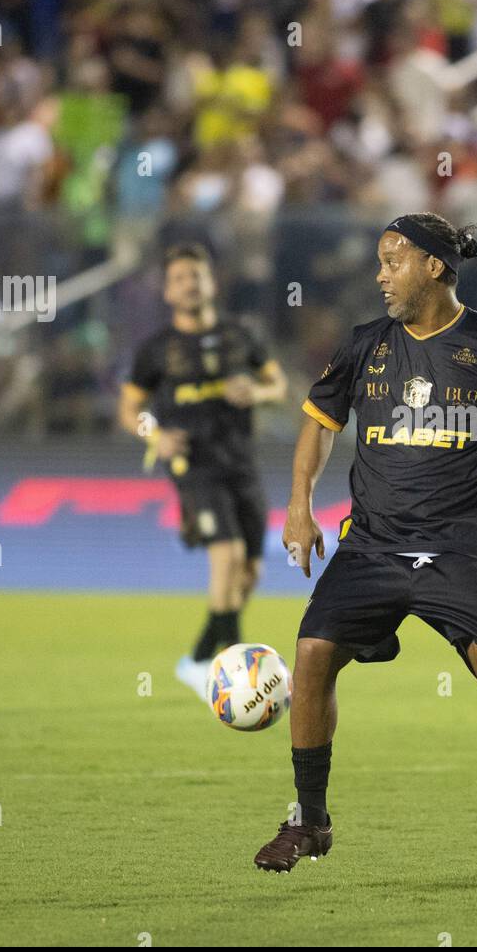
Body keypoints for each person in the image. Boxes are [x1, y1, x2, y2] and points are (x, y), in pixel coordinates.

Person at [255, 212, 477, 893]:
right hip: (373, 548)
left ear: (436, 268)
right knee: (311, 654)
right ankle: (310, 820)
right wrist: (300, 507)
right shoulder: (367, 345)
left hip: (460, 550)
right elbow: (318, 422)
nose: (381, 275)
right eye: (381, 261)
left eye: (394, 261)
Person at [118, 243, 287, 693]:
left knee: (250, 573)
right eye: (179, 279)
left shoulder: (241, 336)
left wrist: (257, 392)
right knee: (227, 555)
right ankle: (237, 676)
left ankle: (196, 659)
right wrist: (154, 434)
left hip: (241, 462)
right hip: (193, 465)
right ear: (168, 293)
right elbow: (129, 409)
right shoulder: (157, 350)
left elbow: (279, 385)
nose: (189, 284)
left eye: (196, 275)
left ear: (212, 282)